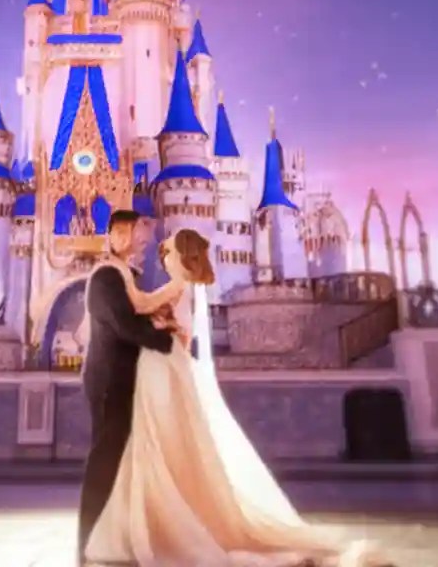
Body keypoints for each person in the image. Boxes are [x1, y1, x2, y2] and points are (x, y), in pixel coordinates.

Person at [82, 228, 387, 567]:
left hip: (162, 369)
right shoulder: (178, 286)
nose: (161, 256)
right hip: (161, 369)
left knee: (158, 444)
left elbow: (159, 323)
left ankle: (159, 526)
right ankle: (145, 523)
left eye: (166, 251)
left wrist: (154, 320)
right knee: (155, 445)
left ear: (181, 256)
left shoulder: (177, 285)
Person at [77, 210, 176, 565]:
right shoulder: (106, 277)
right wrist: (166, 342)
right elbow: (123, 325)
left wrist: (159, 321)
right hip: (109, 381)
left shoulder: (123, 276)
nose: (145, 245)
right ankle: (88, 541)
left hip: (121, 379)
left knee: (117, 460)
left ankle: (112, 537)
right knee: (105, 459)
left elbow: (132, 318)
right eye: (139, 237)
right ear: (119, 235)